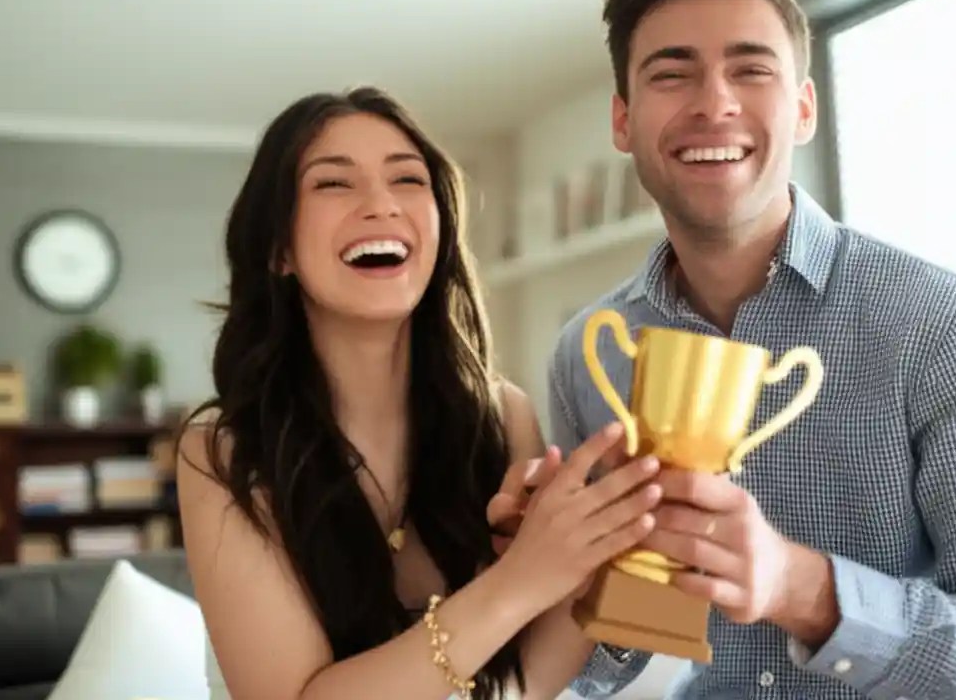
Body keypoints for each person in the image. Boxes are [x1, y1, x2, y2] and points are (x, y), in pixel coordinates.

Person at [519, 0, 956, 697]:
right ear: (623, 121)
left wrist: (802, 588)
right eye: (672, 74)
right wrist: (548, 572)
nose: (714, 102)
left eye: (751, 69)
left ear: (804, 109)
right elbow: (602, 662)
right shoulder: (588, 354)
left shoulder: (940, 324)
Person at [175, 87, 665, 700]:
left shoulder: (501, 414)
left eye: (408, 179)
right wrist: (518, 579)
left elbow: (522, 687)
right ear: (278, 248)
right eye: (334, 183)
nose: (381, 205)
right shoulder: (221, 453)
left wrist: (606, 537)